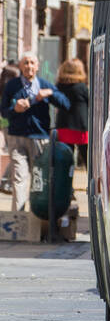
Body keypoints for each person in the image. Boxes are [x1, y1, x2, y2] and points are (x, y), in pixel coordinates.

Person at [0, 55, 70, 214]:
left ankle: (37, 217)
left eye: (32, 63)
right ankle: (18, 218)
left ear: (37, 66)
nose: (29, 66)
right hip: (16, 138)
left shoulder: (44, 85)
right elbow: (3, 112)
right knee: (19, 178)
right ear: (20, 66)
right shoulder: (12, 86)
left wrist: (50, 94)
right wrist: (14, 110)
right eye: (25, 63)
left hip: (40, 138)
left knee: (40, 179)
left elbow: (65, 104)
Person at [54, 58, 89, 171]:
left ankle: (66, 184)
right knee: (86, 156)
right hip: (81, 126)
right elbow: (90, 102)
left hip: (63, 125)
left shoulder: (59, 86)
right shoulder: (82, 87)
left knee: (66, 157)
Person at [0, 62, 20, 193]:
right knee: (14, 152)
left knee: (12, 151)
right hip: (10, 123)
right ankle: (6, 182)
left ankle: (6, 181)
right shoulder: (13, 89)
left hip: (3, 123)